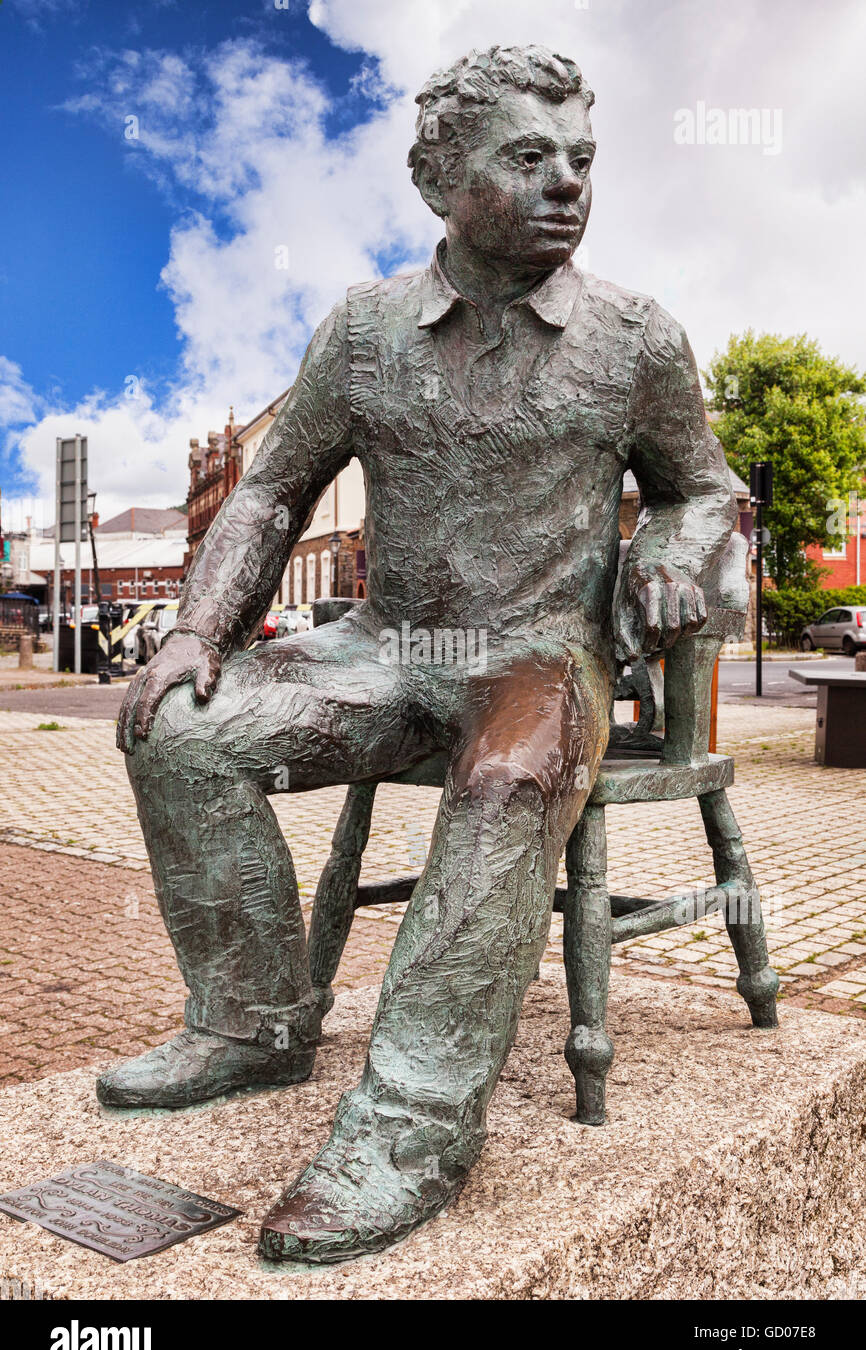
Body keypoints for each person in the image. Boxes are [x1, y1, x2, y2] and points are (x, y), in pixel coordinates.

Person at [105, 45, 736, 1264]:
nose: (566, 184)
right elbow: (268, 494)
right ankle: (250, 1023)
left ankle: (411, 1121)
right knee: (178, 726)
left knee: (503, 783)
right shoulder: (362, 332)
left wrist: (669, 544)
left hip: (536, 660)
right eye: (528, 158)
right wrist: (195, 630)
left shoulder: (634, 339)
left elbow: (705, 490)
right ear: (438, 174)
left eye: (581, 162)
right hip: (384, 652)